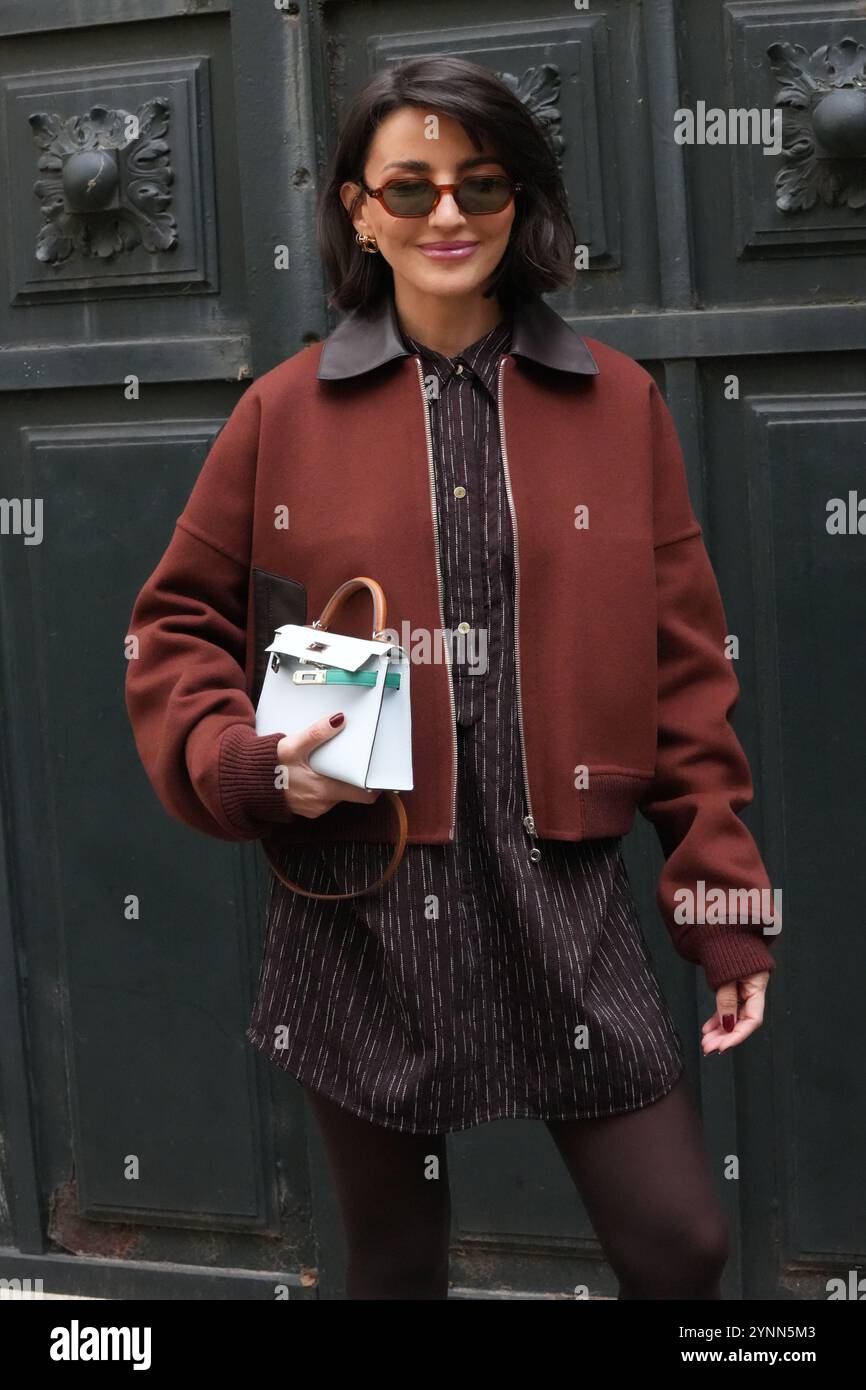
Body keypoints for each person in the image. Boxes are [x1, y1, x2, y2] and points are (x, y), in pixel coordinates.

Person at [124, 55, 781, 1300]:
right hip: (363, 906)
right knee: (393, 1264)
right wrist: (251, 766)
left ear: (518, 204)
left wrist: (721, 906)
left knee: (680, 1244)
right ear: (359, 212)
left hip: (565, 905)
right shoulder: (282, 414)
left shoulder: (618, 404)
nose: (445, 215)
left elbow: (686, 674)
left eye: (479, 184)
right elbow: (173, 630)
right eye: (410, 186)